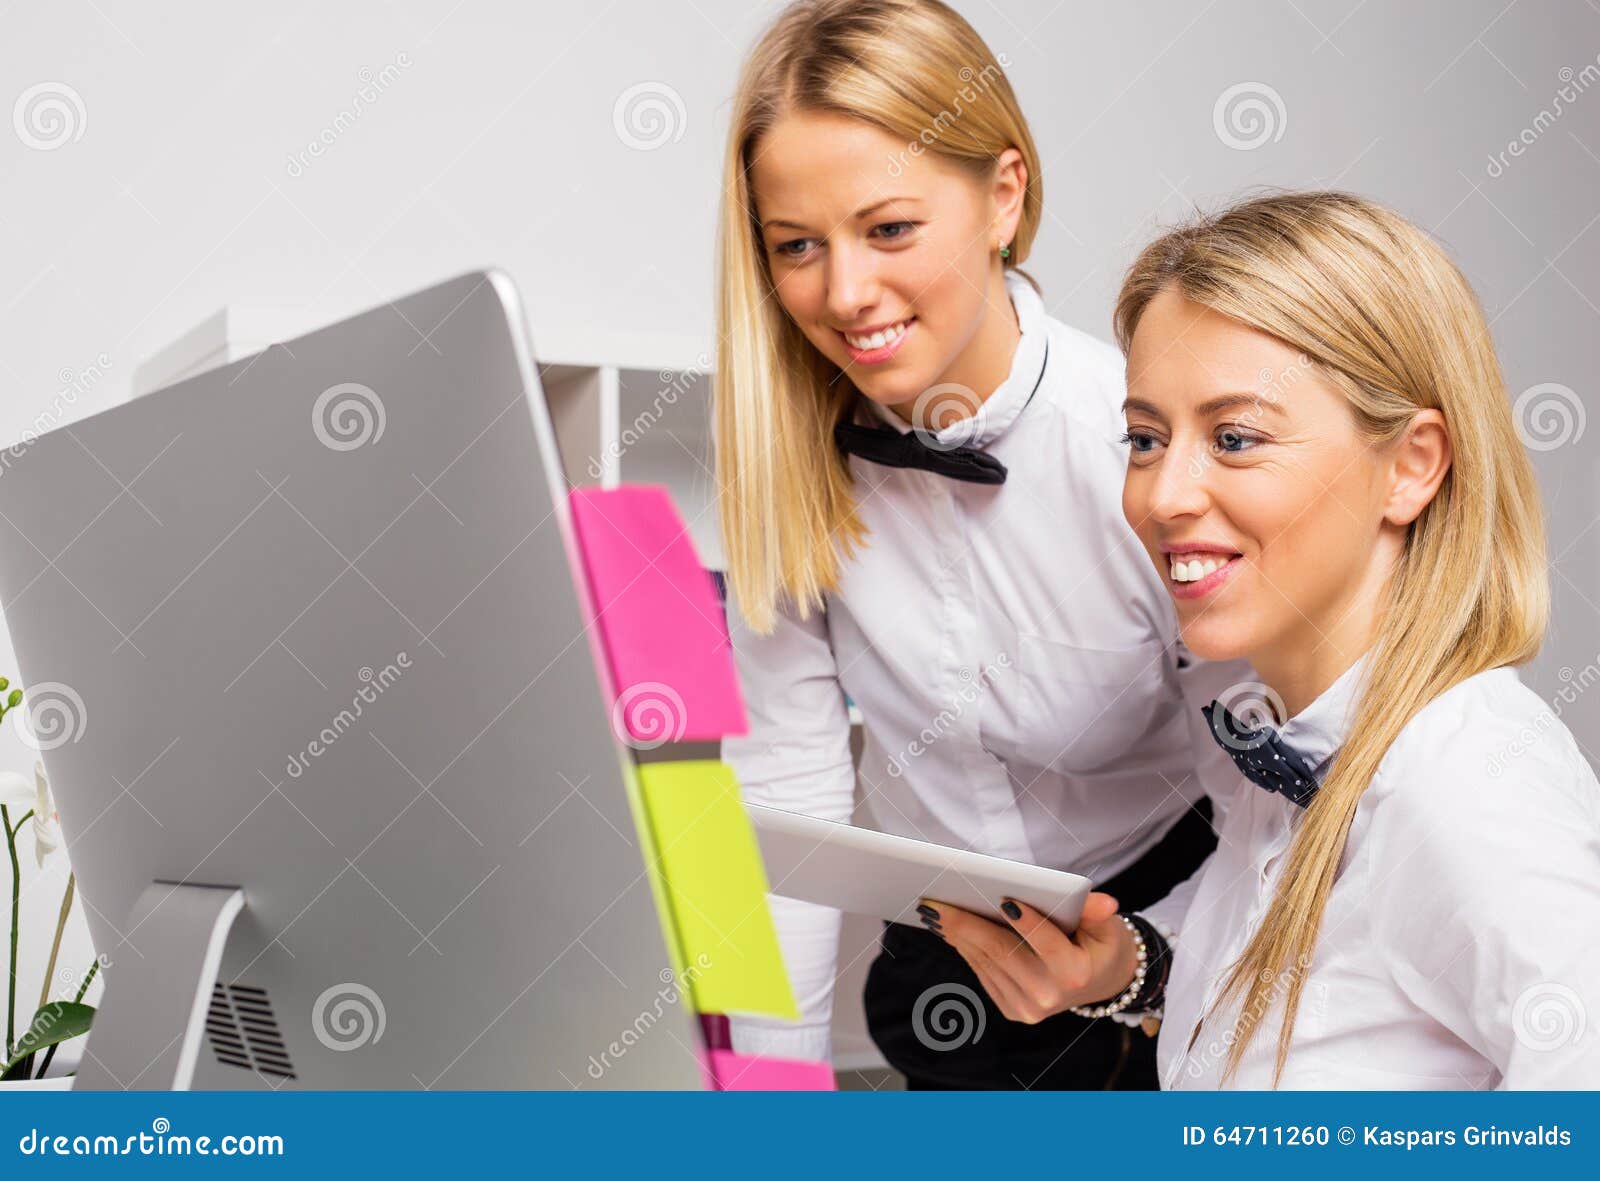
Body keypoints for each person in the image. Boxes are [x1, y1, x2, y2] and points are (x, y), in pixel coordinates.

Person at [930, 191, 1600, 1088]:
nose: (1163, 496)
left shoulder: (1467, 784)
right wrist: (1125, 965)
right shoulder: (1290, 746)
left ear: (1412, 465)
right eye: (1145, 438)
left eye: (1235, 438)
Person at [713, 0, 1247, 1089]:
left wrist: (1144, 970)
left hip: (1165, 979)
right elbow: (783, 802)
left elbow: (1272, 807)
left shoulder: (1144, 452)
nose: (845, 292)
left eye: (889, 228)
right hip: (943, 983)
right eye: (797, 247)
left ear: (1004, 195)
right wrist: (765, 1109)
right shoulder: (781, 460)